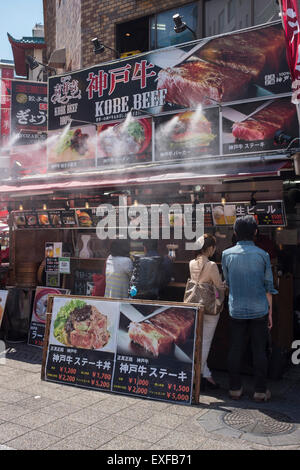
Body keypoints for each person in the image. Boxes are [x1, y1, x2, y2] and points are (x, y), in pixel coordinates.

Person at [222, 215, 278, 402]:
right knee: (259, 350)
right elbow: (268, 287)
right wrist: (270, 312)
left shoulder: (226, 254)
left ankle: (234, 389)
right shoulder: (263, 255)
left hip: (236, 309)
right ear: (255, 232)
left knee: (235, 349)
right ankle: (260, 391)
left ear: (235, 233)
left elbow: (227, 283)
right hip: (259, 309)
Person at [189, 233, 224, 390]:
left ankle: (205, 374)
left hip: (196, 306)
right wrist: (224, 286)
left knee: (197, 341)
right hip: (209, 309)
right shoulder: (211, 266)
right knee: (205, 343)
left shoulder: (191, 263)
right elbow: (218, 287)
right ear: (209, 248)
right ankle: (195, 376)